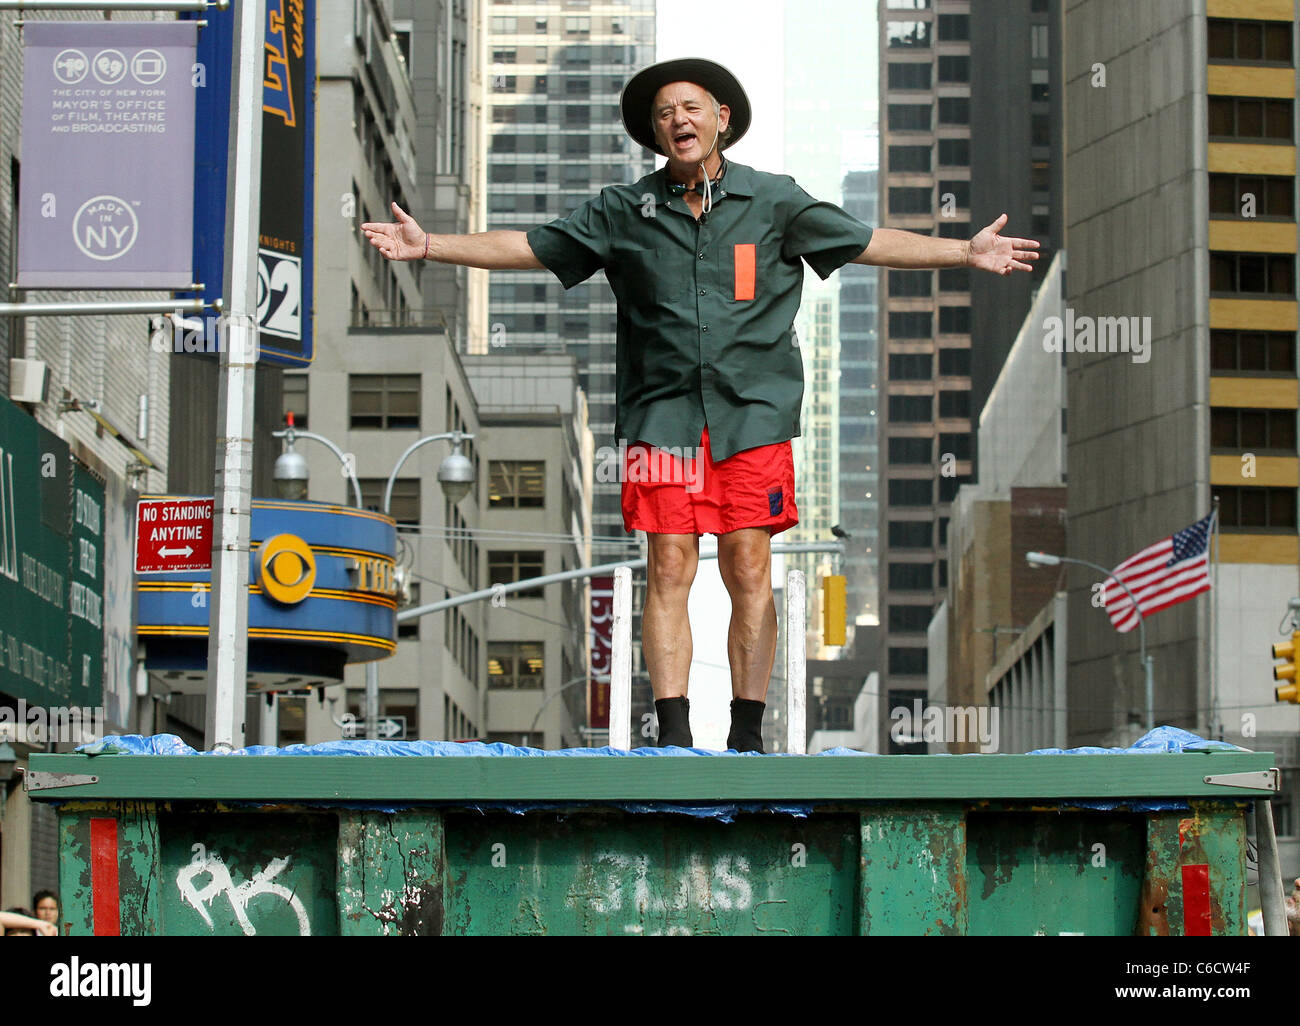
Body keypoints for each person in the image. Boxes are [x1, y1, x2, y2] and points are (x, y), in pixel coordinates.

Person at [362, 58, 1038, 753]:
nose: (676, 119)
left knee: (748, 565)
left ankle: (747, 736)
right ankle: (675, 735)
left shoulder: (776, 202)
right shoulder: (625, 211)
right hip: (664, 420)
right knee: (669, 566)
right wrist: (432, 245)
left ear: (723, 120)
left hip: (752, 418)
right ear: (655, 135)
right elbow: (532, 246)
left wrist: (965, 251)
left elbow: (866, 241)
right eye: (662, 113)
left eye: (690, 107)